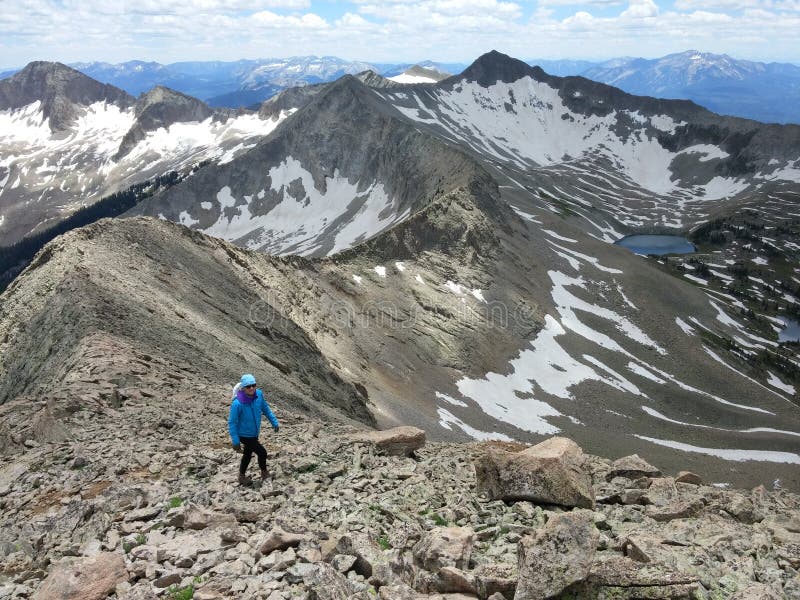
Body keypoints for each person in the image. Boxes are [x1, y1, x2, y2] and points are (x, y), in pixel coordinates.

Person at [228, 373, 279, 485]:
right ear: (243, 387)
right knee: (262, 453)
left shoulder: (258, 395)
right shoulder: (237, 403)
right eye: (248, 386)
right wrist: (236, 441)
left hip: (254, 432)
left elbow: (265, 409)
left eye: (253, 385)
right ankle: (264, 473)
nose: (251, 388)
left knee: (247, 454)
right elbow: (232, 422)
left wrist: (274, 422)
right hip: (244, 434)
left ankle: (241, 476)